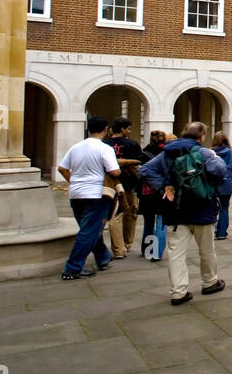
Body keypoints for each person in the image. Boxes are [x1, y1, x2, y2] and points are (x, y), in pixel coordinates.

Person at [138, 121, 228, 306]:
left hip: (175, 209)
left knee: (176, 253)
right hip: (203, 207)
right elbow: (219, 172)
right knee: (207, 250)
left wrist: (163, 186)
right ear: (201, 137)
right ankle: (210, 282)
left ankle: (178, 291)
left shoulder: (167, 152)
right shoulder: (204, 152)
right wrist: (215, 157)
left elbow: (145, 170)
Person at [58, 115, 121, 280]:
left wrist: (75, 181)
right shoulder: (104, 148)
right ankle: (72, 268)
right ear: (106, 129)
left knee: (90, 229)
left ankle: (103, 258)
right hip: (96, 194)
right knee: (88, 231)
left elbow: (62, 168)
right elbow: (114, 171)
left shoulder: (76, 147)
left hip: (76, 193)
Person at [106, 117, 143, 259]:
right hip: (128, 184)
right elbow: (138, 165)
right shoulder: (132, 144)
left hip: (110, 184)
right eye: (128, 129)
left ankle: (118, 249)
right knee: (131, 213)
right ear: (122, 129)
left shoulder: (105, 144)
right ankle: (127, 244)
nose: (129, 131)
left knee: (115, 215)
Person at [138, 129, 168, 260]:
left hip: (147, 192)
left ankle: (147, 250)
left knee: (148, 223)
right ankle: (156, 253)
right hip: (163, 191)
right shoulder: (168, 153)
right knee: (161, 223)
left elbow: (140, 173)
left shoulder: (143, 153)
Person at [212, 131, 232, 240]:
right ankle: (222, 232)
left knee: (213, 209)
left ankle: (214, 229)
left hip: (213, 182)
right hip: (226, 183)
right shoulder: (231, 152)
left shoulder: (211, 152)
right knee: (224, 208)